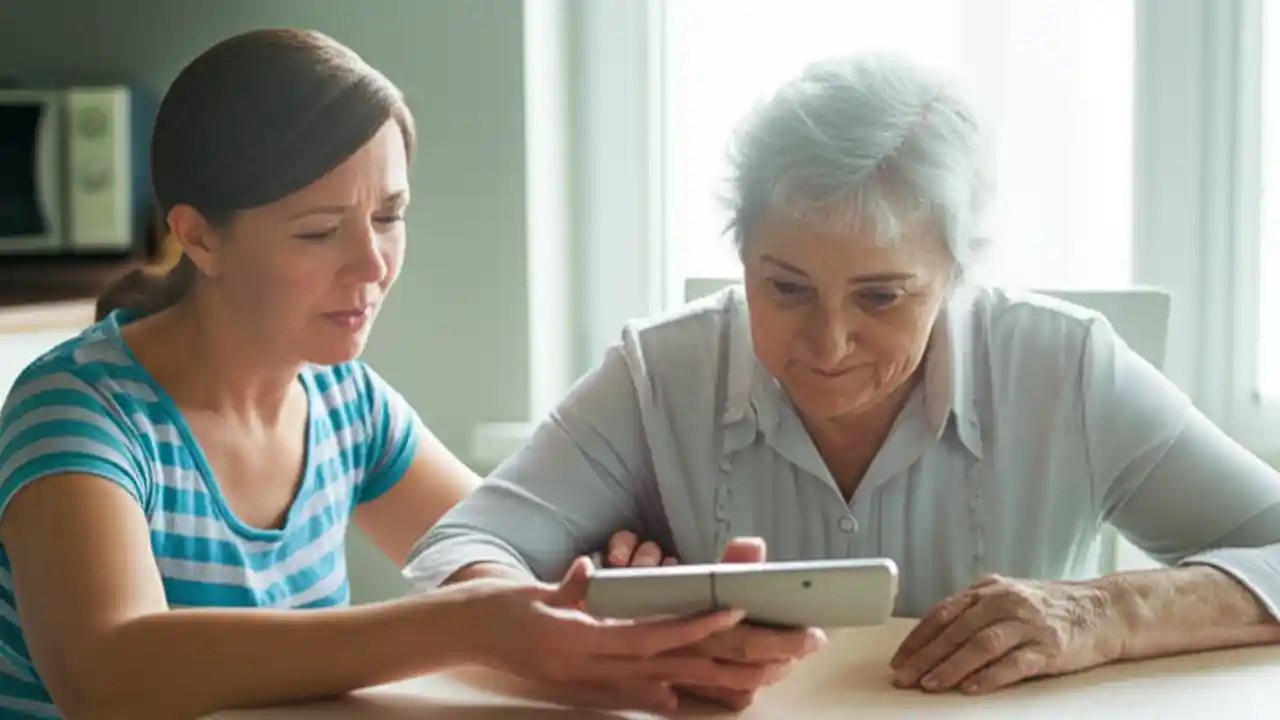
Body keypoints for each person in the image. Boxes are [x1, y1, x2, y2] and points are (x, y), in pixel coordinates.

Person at [405, 53, 1280, 701]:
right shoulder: (659, 374)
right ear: (741, 259)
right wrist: (589, 634)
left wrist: (1104, 615)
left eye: (881, 296)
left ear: (956, 275)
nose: (827, 344)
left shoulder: (1066, 367)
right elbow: (456, 551)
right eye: (785, 289)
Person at [0, 29, 763, 720]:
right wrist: (465, 626)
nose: (372, 265)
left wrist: (616, 597)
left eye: (389, 217)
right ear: (199, 238)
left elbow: (491, 555)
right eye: (319, 231)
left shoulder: (345, 404)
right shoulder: (77, 410)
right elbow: (108, 674)